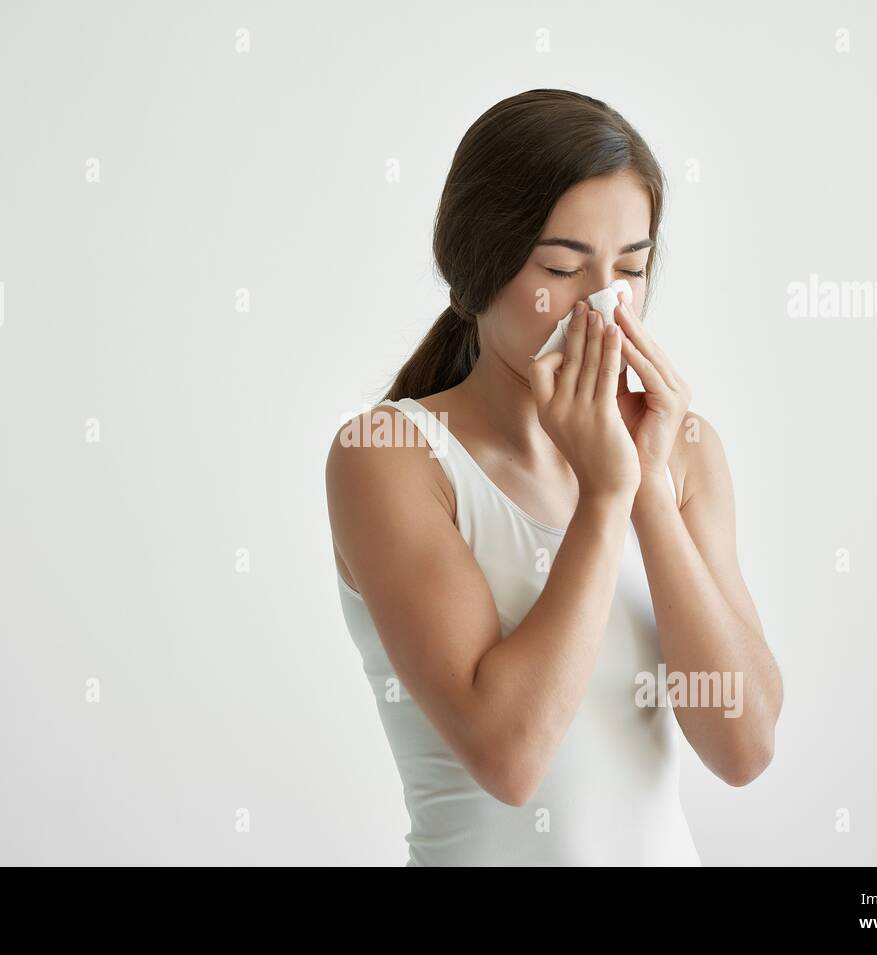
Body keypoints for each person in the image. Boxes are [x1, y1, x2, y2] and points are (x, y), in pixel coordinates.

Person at [325, 89, 782, 866]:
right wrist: (604, 501)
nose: (604, 306)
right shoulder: (389, 456)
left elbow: (744, 745)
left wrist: (648, 492)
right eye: (563, 268)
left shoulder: (685, 451)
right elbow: (510, 755)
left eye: (630, 268)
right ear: (479, 270)